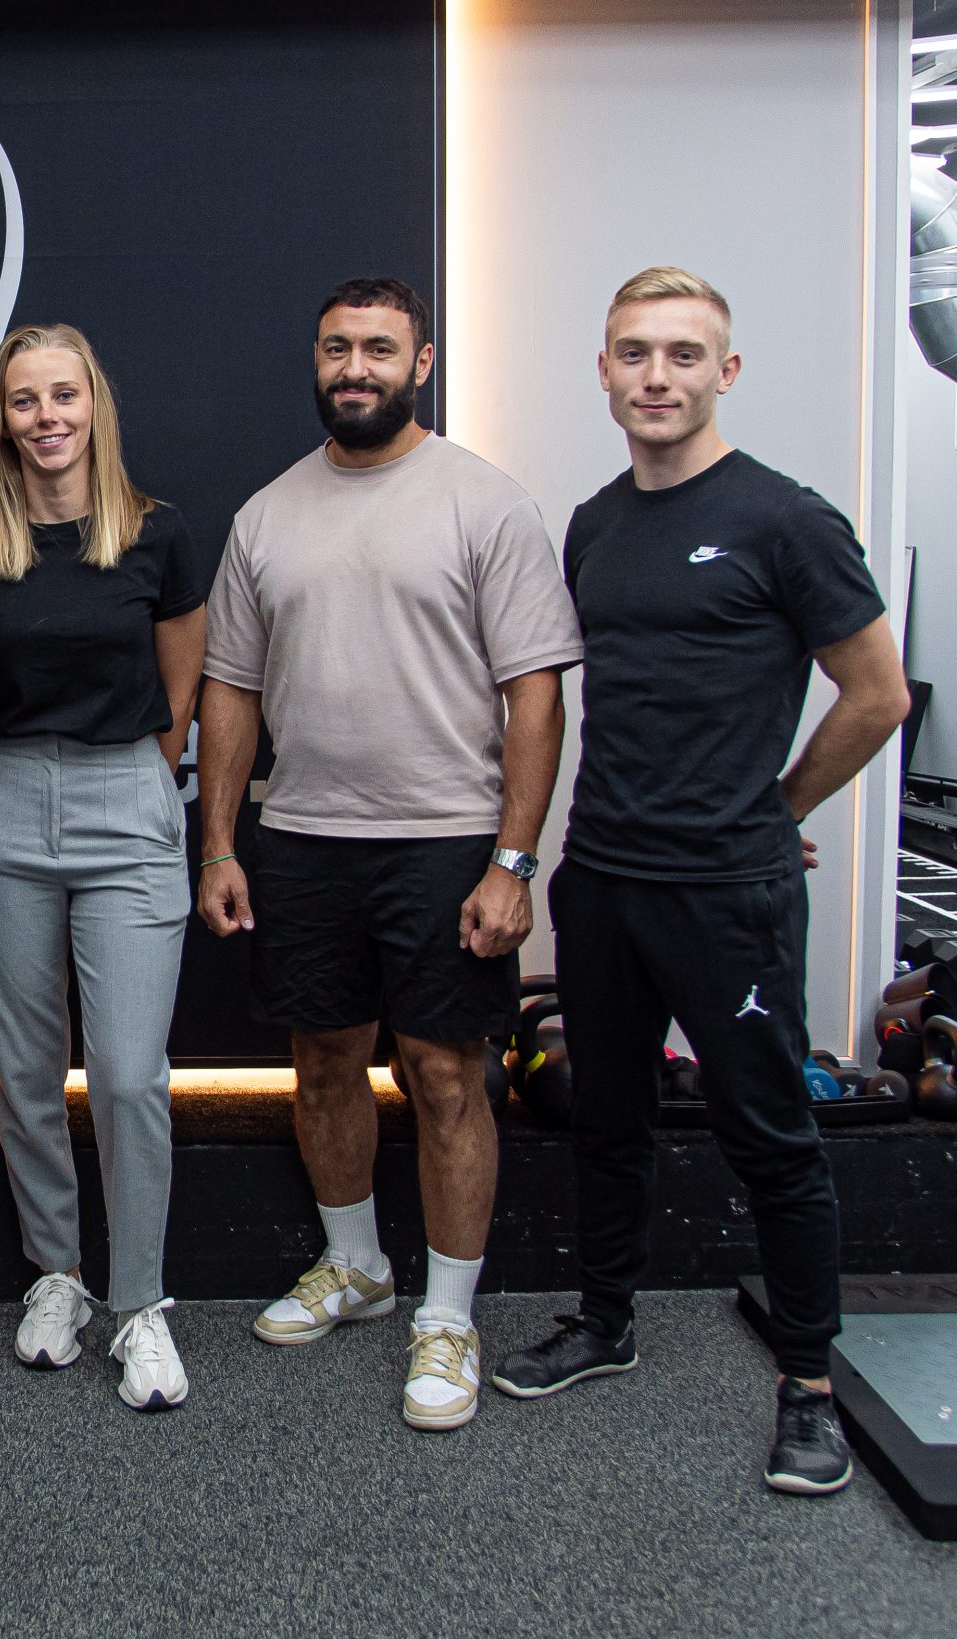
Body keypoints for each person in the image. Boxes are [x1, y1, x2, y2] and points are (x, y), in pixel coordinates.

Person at [491, 268, 911, 1494]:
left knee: (768, 1136)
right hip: (602, 879)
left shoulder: (785, 519)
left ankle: (808, 1387)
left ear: (723, 372)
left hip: (726, 892)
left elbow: (876, 693)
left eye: (682, 355)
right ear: (603, 371)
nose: (655, 376)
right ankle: (603, 1321)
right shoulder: (592, 523)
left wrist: (775, 811)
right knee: (605, 1119)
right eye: (633, 353)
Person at [198, 277, 581, 1431]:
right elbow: (229, 690)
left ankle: (446, 1316)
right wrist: (217, 841)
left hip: (445, 839)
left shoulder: (483, 501)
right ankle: (357, 1265)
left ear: (419, 363)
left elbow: (534, 694)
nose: (353, 367)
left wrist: (512, 861)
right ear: (314, 361)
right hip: (304, 838)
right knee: (321, 1062)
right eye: (335, 348)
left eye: (377, 348)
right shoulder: (266, 515)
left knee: (444, 1074)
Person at [0, 324, 205, 1411]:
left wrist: (136, 785)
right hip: (2, 802)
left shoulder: (156, 532)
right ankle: (56, 1272)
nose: (46, 416)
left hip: (126, 800)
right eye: (24, 401)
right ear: (0, 421)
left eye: (63, 395)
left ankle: (138, 1302)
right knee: (22, 1070)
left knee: (130, 1073)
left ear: (93, 404)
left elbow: (180, 690)